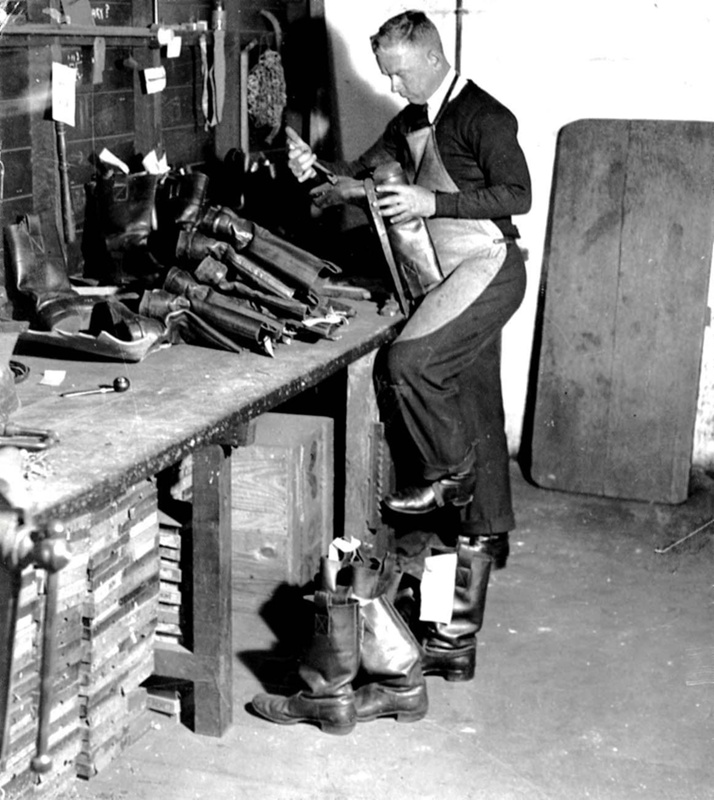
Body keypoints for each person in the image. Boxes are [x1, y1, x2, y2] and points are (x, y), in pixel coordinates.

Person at [277, 9, 530, 697]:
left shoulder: (483, 116)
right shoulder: (406, 122)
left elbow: (519, 196)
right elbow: (358, 184)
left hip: (486, 269)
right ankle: (453, 639)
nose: (389, 81)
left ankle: (455, 612)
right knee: (468, 448)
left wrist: (431, 199)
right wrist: (316, 174)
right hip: (438, 284)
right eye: (383, 69)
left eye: (397, 67)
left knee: (450, 440)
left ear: (429, 55)